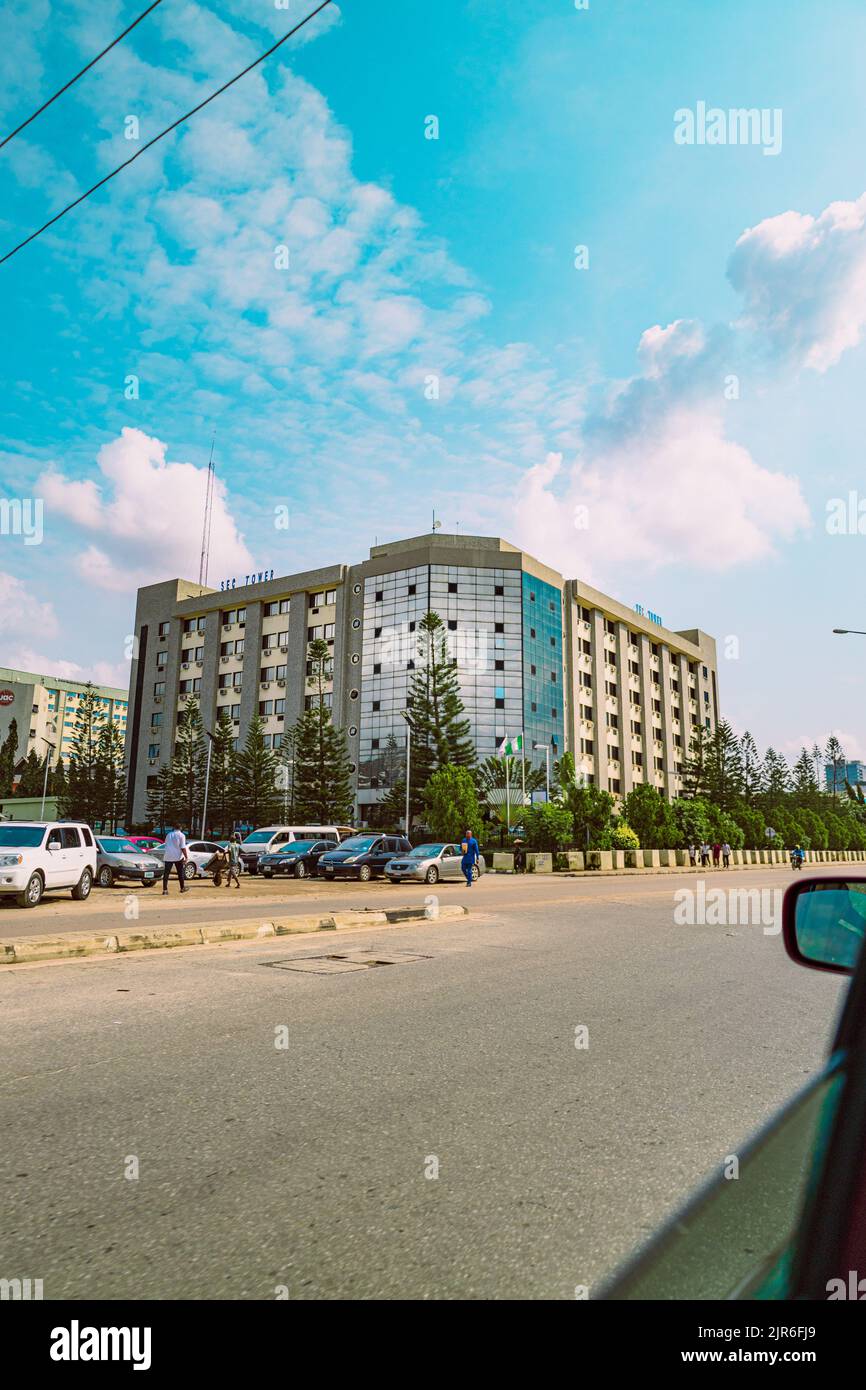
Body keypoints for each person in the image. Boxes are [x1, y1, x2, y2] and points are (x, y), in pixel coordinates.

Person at [162, 825, 189, 894]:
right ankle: (182, 888)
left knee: (166, 873)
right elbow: (183, 847)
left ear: (174, 828)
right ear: (180, 828)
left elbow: (166, 844)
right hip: (178, 857)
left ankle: (165, 890)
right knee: (180, 873)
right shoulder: (182, 835)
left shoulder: (168, 834)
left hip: (168, 856)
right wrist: (186, 857)